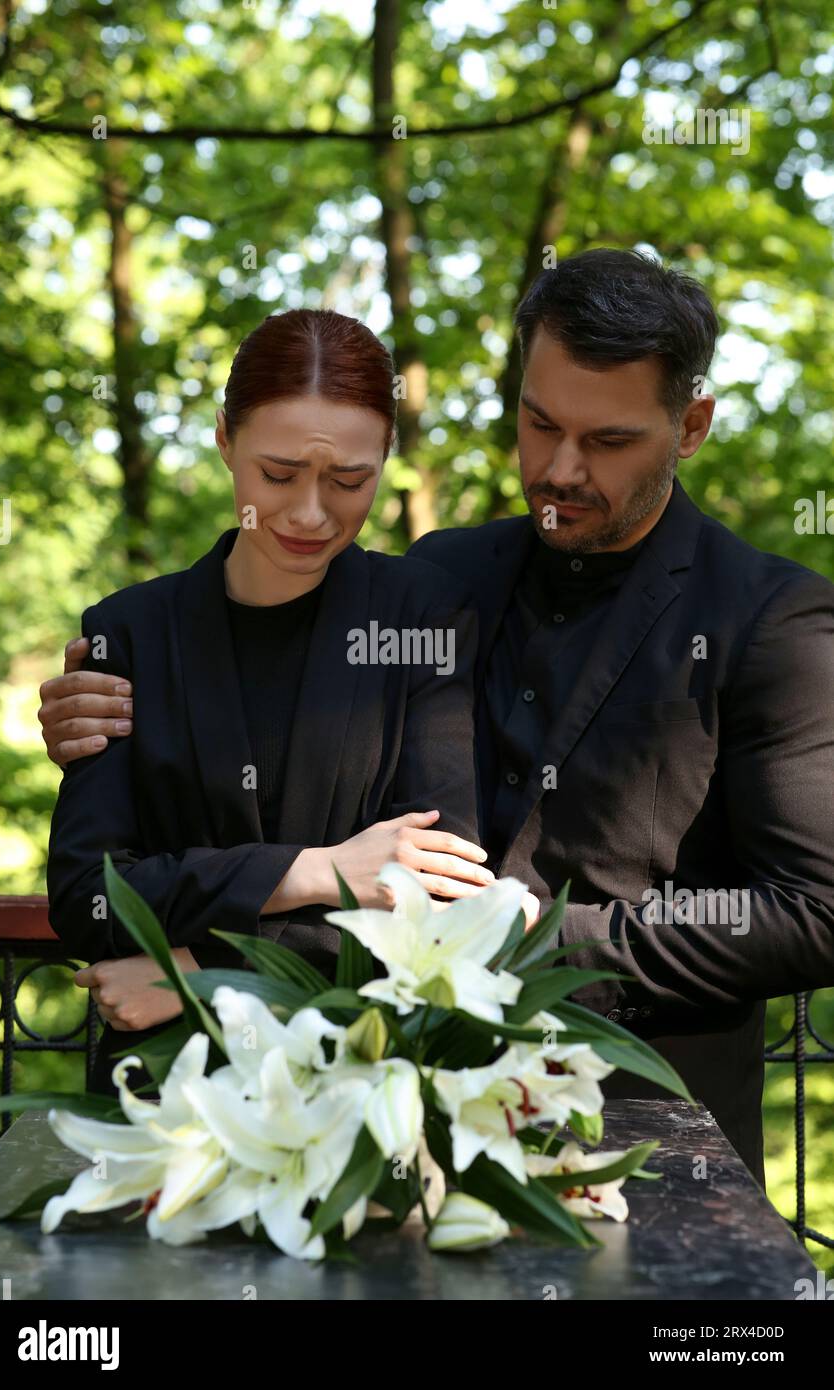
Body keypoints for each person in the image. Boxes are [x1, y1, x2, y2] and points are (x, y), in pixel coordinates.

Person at [40, 252, 834, 1188]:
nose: (561, 468)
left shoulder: (774, 621)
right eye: (539, 424)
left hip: (646, 1136)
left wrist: (522, 937)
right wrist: (97, 717)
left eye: (609, 441)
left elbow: (814, 911)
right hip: (394, 1126)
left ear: (691, 424)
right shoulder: (439, 578)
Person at [43, 307, 536, 1097]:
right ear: (223, 439)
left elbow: (435, 901)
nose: (310, 513)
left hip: (366, 1086)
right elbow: (88, 898)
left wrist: (196, 967)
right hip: (164, 1098)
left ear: (385, 459)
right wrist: (317, 870)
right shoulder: (128, 632)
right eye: (277, 474)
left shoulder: (423, 616)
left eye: (349, 481)